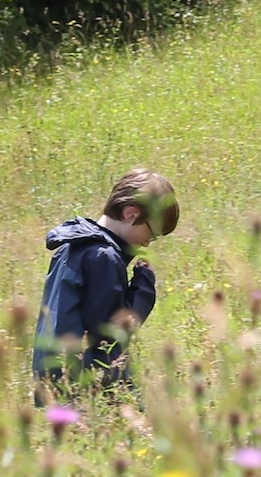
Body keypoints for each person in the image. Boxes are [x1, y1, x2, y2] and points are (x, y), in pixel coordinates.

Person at [32, 168, 179, 398]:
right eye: (150, 235)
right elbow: (111, 336)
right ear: (131, 214)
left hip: (53, 376)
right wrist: (144, 284)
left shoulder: (73, 246)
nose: (147, 244)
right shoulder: (103, 259)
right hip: (86, 384)